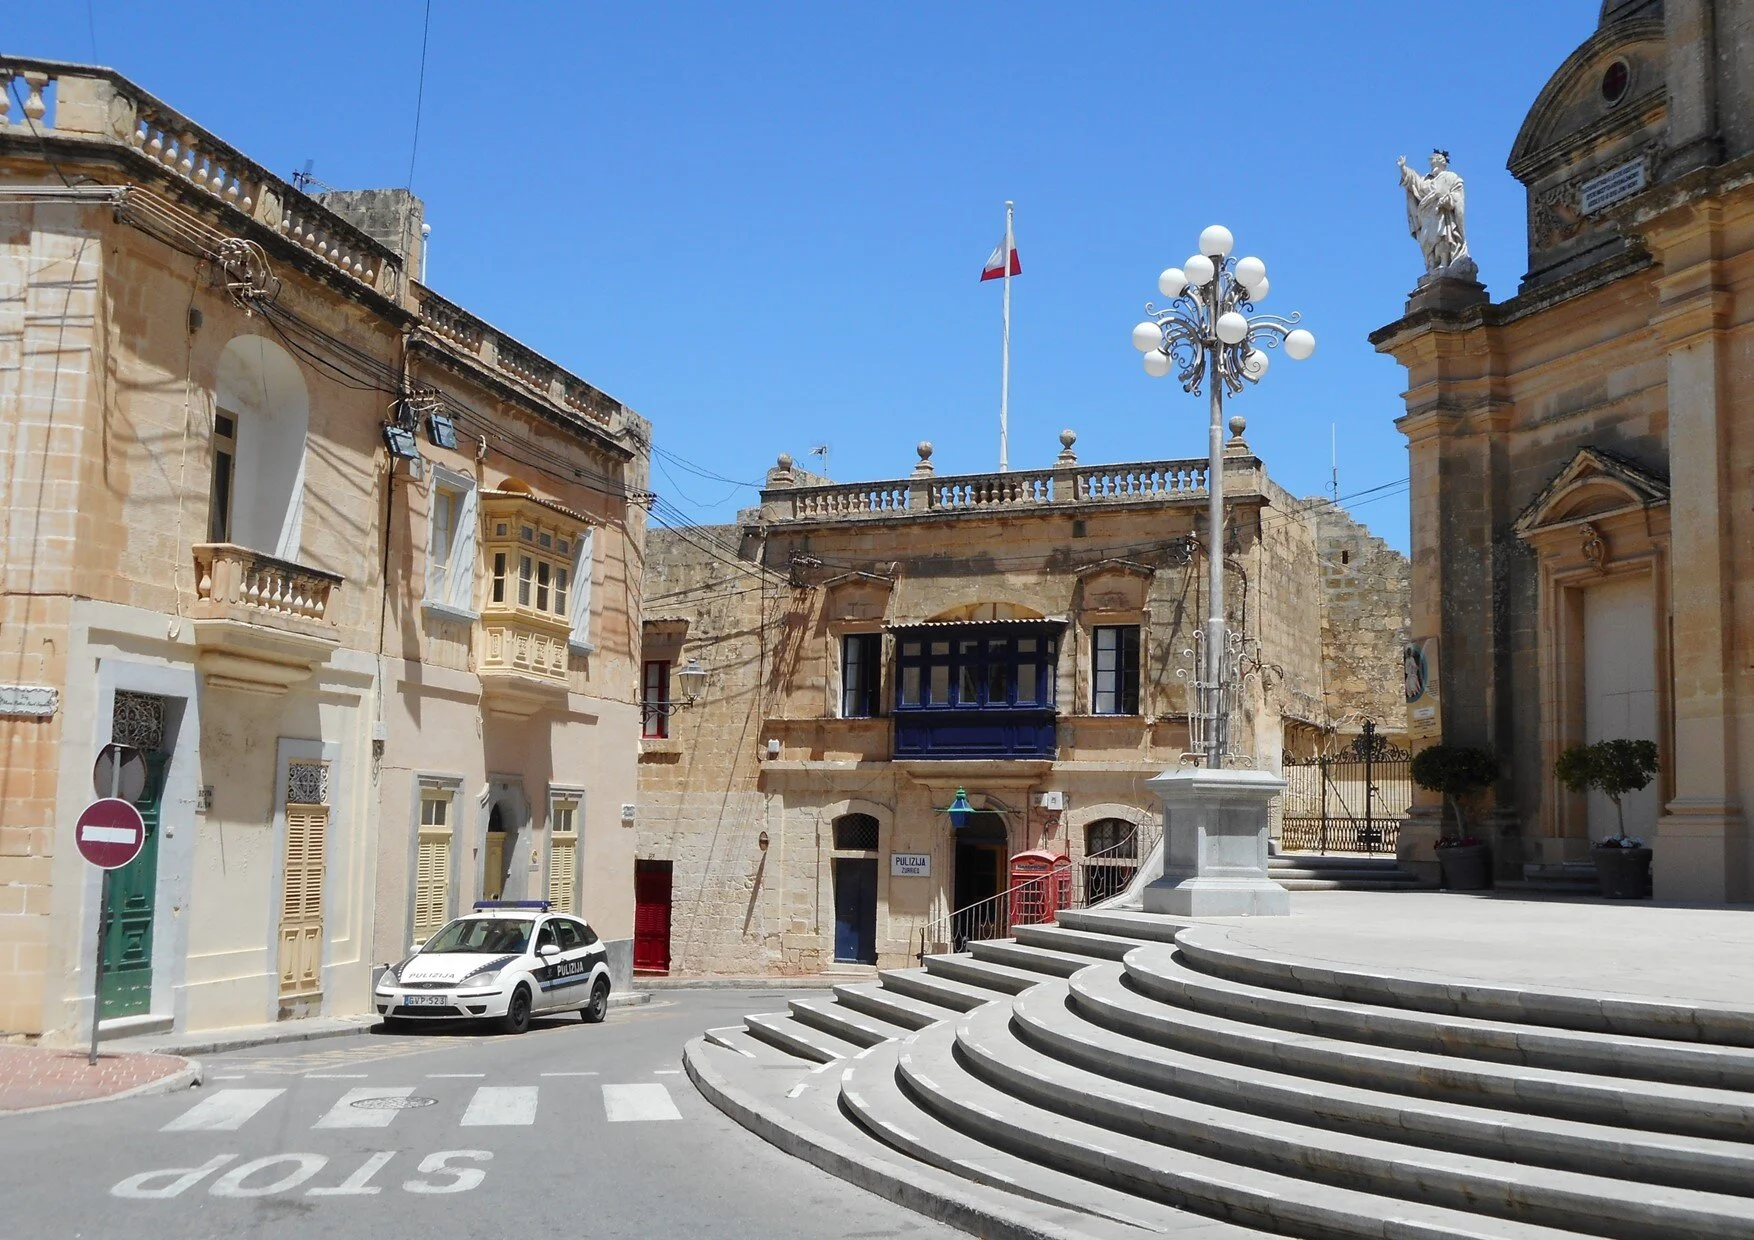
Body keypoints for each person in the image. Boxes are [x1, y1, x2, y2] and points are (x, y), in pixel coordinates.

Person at [1398, 149, 1470, 276]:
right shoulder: (1427, 179)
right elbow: (1415, 182)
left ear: (1441, 161)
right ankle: (1432, 265)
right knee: (1426, 241)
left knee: (1442, 235)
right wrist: (1403, 168)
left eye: (1433, 158)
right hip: (1426, 215)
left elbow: (1457, 195)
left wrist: (1447, 200)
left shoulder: (1451, 177)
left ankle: (1444, 261)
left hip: (1441, 212)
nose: (1431, 160)